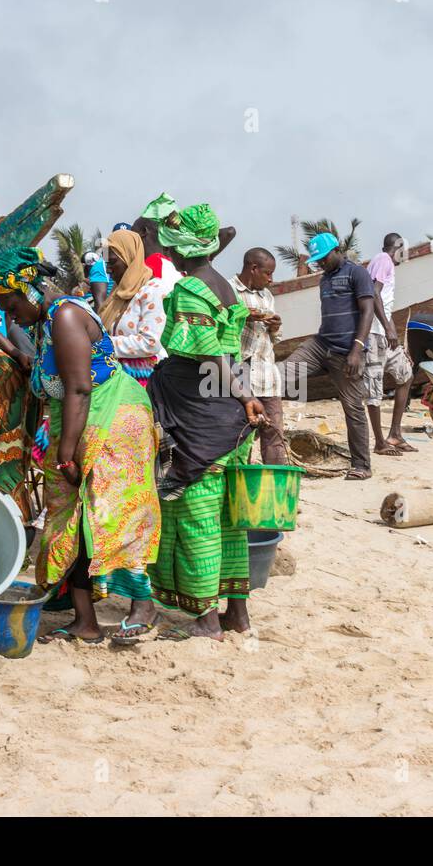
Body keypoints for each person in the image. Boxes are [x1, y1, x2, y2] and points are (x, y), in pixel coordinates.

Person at [0, 250, 161, 645]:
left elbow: (80, 387)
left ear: (30, 291)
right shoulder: (44, 322)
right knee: (68, 514)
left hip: (114, 415)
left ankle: (142, 606)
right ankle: (86, 620)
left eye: (12, 306)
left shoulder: (65, 315)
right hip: (77, 416)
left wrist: (66, 452)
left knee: (112, 512)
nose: (11, 317)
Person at [147, 203, 266, 639]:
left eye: (172, 248)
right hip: (227, 419)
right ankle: (238, 613)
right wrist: (246, 400)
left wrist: (247, 395)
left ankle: (206, 620)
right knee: (229, 517)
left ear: (183, 249)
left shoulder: (193, 289)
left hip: (200, 417)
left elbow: (212, 353)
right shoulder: (225, 286)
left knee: (195, 515)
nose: (171, 257)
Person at [281, 232, 375, 479]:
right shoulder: (324, 279)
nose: (320, 263)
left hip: (347, 351)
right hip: (321, 344)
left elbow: (368, 311)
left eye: (324, 258)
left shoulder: (357, 273)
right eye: (317, 259)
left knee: (353, 407)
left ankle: (362, 465)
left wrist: (356, 349)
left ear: (337, 250)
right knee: (282, 374)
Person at [364, 233, 416, 456]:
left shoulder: (383, 263)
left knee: (406, 374)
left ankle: (394, 434)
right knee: (373, 391)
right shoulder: (383, 260)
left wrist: (392, 331)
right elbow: (373, 294)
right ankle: (379, 442)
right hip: (374, 335)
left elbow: (383, 302)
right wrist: (388, 327)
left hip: (384, 334)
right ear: (399, 247)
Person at [233, 247, 286, 464]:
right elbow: (221, 326)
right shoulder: (229, 290)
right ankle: (241, 484)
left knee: (274, 434)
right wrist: (243, 317)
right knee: (240, 434)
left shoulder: (267, 296)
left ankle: (277, 485)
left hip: (267, 376)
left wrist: (275, 327)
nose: (271, 279)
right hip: (240, 375)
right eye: (268, 273)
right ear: (253, 269)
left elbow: (275, 338)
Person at [100, 228, 167, 386]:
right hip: (113, 382)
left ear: (129, 257)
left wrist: (103, 345)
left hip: (140, 384)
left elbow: (150, 342)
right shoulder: (117, 294)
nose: (109, 269)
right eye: (106, 263)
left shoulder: (152, 290)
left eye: (113, 262)